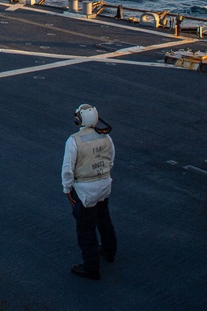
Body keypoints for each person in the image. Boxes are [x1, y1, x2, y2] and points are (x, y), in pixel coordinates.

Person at [62, 103, 117, 280]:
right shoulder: (106, 137)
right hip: (104, 184)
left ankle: (91, 267)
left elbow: (67, 169)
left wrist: (67, 188)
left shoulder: (74, 140)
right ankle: (109, 251)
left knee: (86, 228)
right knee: (104, 218)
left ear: (79, 120)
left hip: (85, 189)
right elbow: (111, 160)